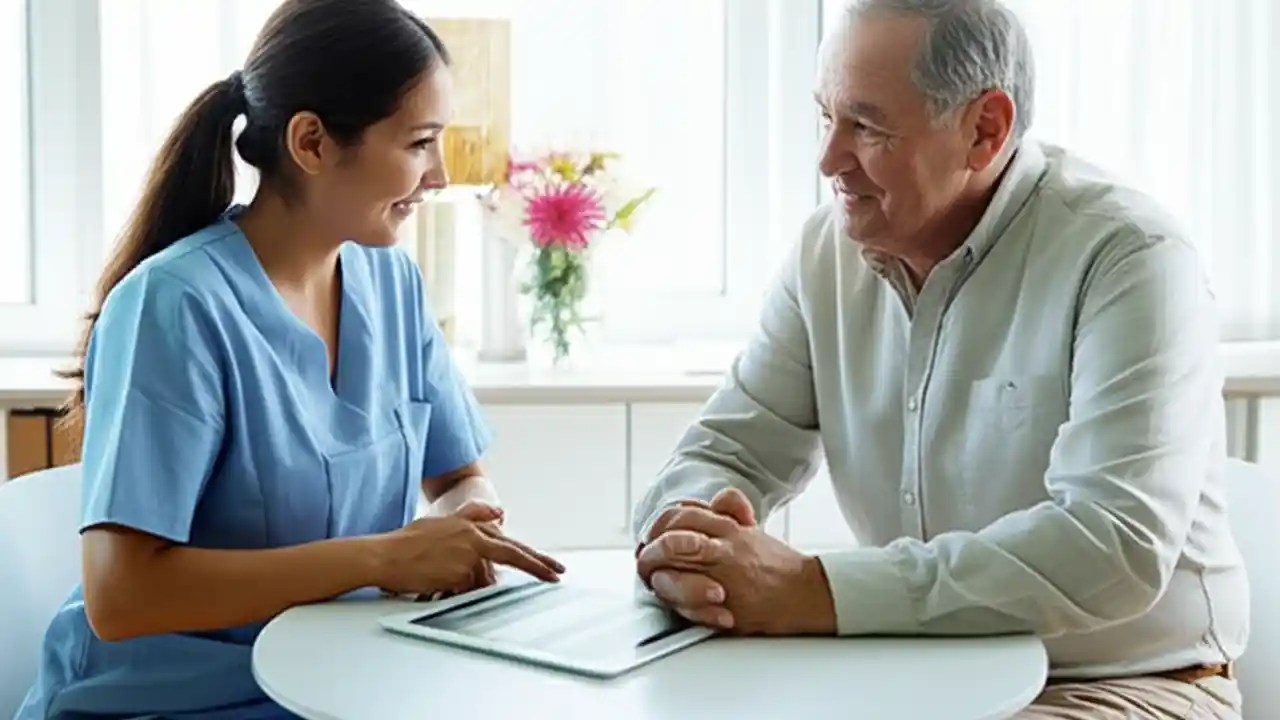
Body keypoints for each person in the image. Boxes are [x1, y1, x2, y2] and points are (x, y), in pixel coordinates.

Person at [632, 0, 1248, 717]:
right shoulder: (825, 252)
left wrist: (812, 589)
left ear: (985, 130)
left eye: (866, 127)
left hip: (1121, 683)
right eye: (825, 117)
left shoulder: (1130, 258)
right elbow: (728, 447)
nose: (827, 160)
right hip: (913, 675)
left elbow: (1113, 547)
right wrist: (689, 541)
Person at [17, 1, 564, 717]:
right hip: (173, 702)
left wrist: (466, 527)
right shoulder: (175, 306)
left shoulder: (391, 283)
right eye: (419, 144)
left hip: (340, 681)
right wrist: (385, 559)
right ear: (311, 142)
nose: (438, 176)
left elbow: (458, 475)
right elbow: (122, 597)